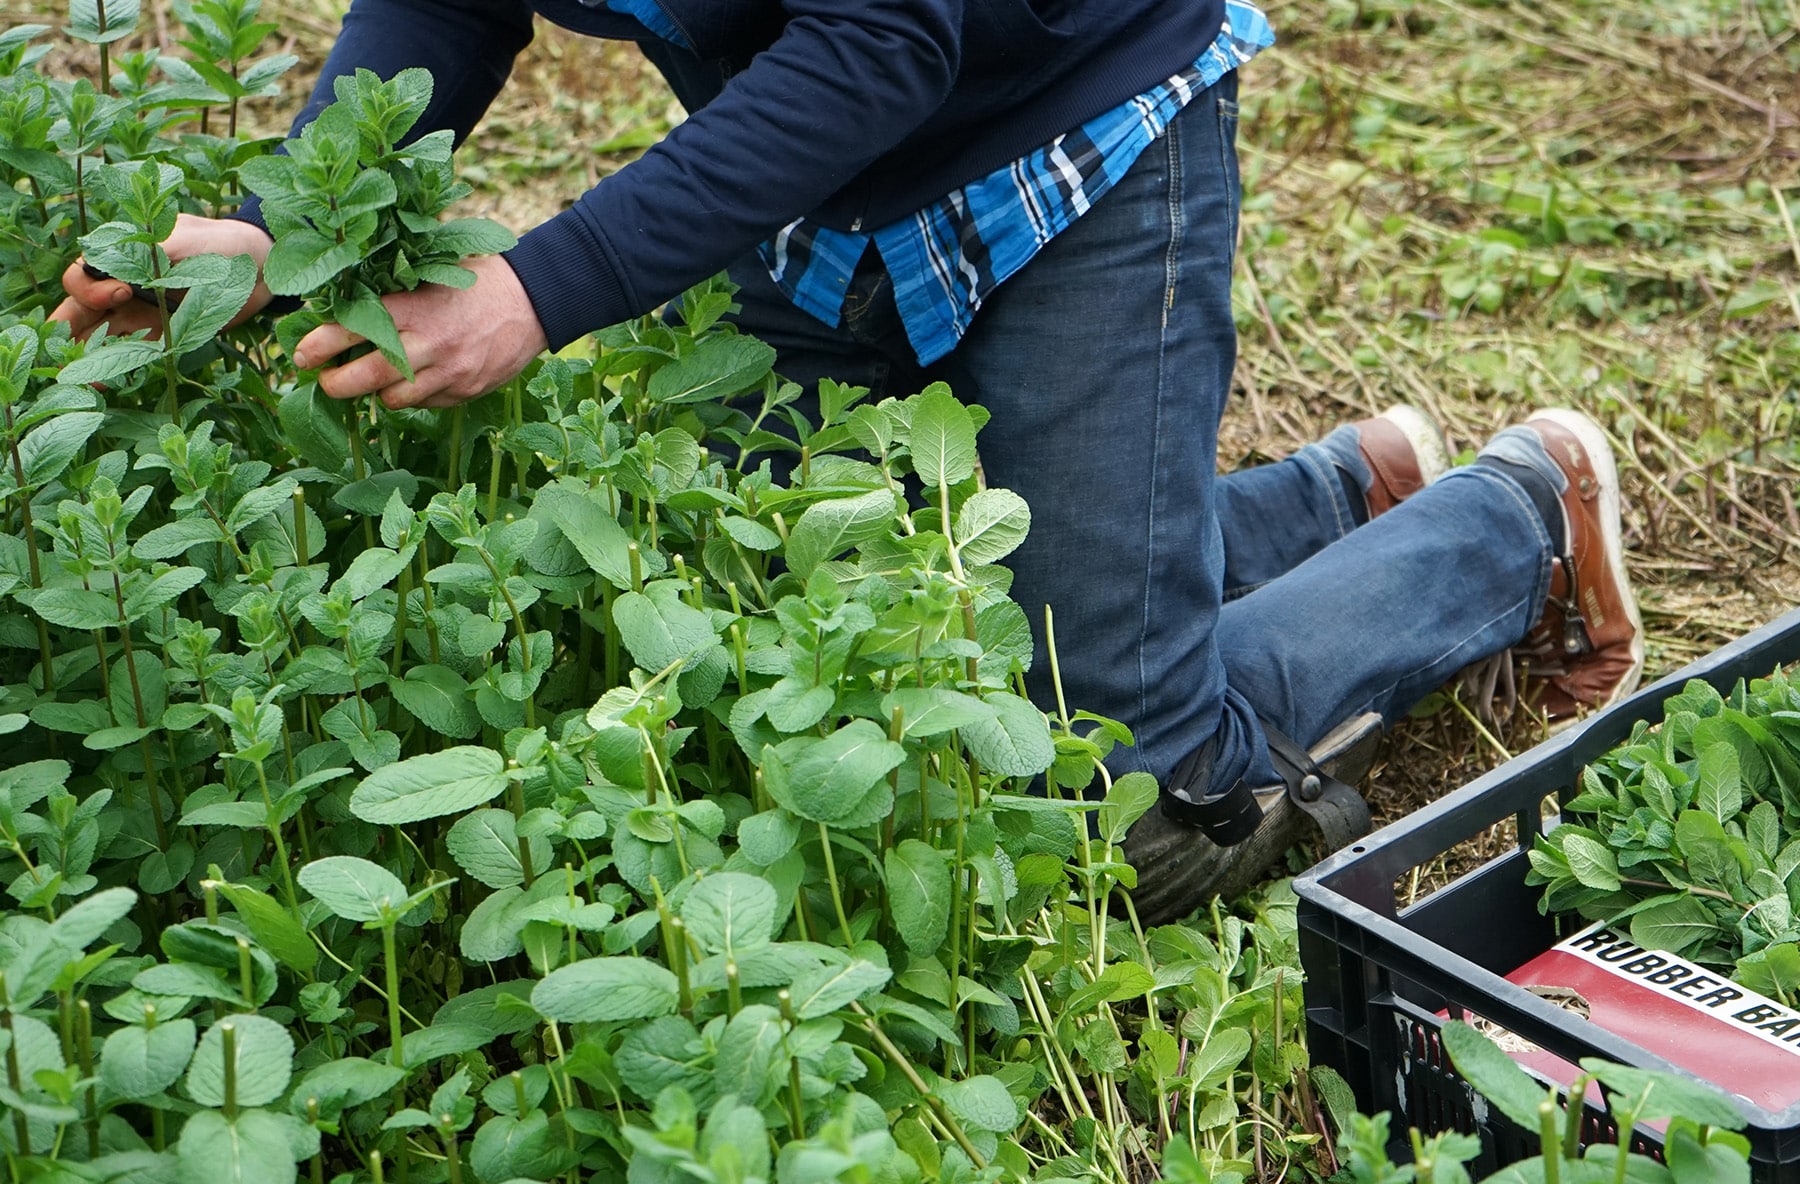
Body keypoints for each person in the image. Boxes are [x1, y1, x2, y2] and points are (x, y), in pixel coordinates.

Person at [53, 0, 1644, 925]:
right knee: (795, 639)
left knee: (1127, 807)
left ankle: (1510, 514)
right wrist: (284, 227)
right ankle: (1320, 501)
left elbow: (890, 32)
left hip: (1074, 122)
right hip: (817, 164)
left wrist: (539, 290)